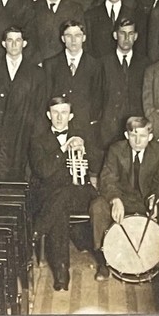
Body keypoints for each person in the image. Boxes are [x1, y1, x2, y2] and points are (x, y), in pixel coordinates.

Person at [89, 117, 159, 282]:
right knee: (97, 207)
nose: (137, 140)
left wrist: (155, 198)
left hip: (146, 200)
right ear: (126, 135)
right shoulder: (115, 149)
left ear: (150, 137)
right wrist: (115, 199)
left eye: (142, 136)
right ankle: (103, 262)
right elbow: (107, 179)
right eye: (133, 135)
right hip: (122, 199)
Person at [29, 96, 101, 291]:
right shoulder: (38, 141)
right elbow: (43, 170)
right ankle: (62, 272)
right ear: (48, 115)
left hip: (80, 193)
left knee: (63, 197)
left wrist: (84, 149)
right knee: (60, 207)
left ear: (71, 116)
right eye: (55, 113)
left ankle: (37, 230)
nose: (59, 117)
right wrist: (62, 147)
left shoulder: (83, 136)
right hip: (52, 195)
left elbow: (98, 165)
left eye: (64, 113)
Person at [0, 26, 44, 180]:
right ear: (3, 44)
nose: (14, 44)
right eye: (10, 40)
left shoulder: (37, 73)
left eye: (18, 40)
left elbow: (40, 107)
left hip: (24, 136)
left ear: (24, 43)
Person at [42, 20, 105, 144]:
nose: (73, 40)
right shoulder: (50, 64)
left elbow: (98, 96)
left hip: (84, 126)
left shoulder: (95, 65)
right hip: (59, 124)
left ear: (84, 38)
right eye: (68, 36)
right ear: (62, 38)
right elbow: (47, 96)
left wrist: (92, 121)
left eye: (77, 35)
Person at [100, 18, 148, 148]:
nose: (127, 38)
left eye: (131, 34)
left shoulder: (146, 64)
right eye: (122, 33)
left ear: (136, 36)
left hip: (135, 130)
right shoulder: (103, 63)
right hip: (108, 129)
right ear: (115, 35)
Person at [30, 0, 84, 64]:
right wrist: (37, 61)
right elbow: (30, 38)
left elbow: (80, 39)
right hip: (40, 63)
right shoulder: (34, 8)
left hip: (65, 64)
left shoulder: (75, 8)